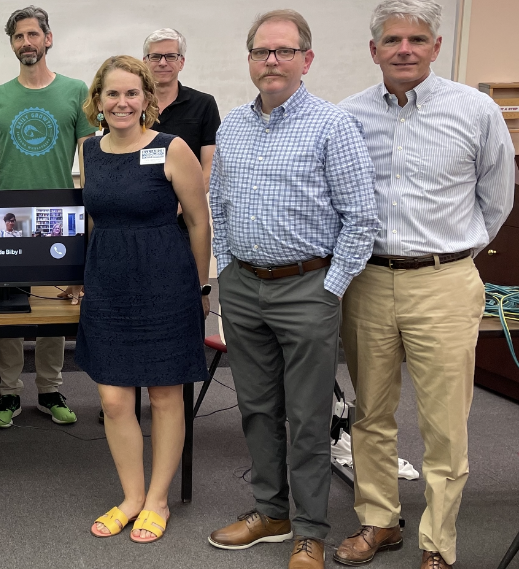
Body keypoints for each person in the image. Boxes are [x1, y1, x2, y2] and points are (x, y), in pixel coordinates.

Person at [334, 2, 515, 568]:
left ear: (436, 48)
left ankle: (439, 543)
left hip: (445, 280)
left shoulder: (476, 110)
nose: (404, 49)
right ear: (374, 50)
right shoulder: (348, 116)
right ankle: (378, 520)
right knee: (370, 414)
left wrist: (453, 253)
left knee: (445, 424)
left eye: (417, 39)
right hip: (368, 281)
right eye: (392, 40)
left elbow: (498, 197)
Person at [207, 10, 379, 569]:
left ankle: (310, 530)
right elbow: (220, 203)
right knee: (256, 408)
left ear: (307, 58)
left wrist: (330, 287)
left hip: (308, 287)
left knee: (308, 416)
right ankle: (271, 512)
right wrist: (228, 269)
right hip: (244, 285)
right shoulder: (232, 124)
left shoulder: (333, 125)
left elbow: (362, 218)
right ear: (250, 60)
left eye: (283, 51)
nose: (271, 61)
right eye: (262, 52)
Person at [68, 55, 211, 544]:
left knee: (166, 396)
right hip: (108, 282)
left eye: (132, 93)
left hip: (165, 280)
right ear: (99, 101)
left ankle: (157, 500)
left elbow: (197, 221)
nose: (122, 102)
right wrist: (82, 276)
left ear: (148, 98)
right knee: (112, 400)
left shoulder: (172, 149)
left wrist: (199, 288)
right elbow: (91, 218)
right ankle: (131, 496)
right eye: (113, 94)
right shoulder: (89, 149)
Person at [0, 5, 97, 427]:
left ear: (48, 38)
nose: (26, 43)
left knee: (56, 304)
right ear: (12, 44)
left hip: (58, 213)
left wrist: (88, 211)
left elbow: (89, 158)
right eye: (18, 37)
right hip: (7, 216)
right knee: (9, 305)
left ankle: (50, 388)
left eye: (33, 34)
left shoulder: (77, 91)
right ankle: (9, 393)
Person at [139, 28, 221, 192]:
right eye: (155, 56)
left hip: (185, 211)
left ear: (181, 62)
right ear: (144, 62)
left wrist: (182, 206)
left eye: (170, 56)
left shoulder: (204, 104)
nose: (163, 63)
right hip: (135, 211)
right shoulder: (130, 105)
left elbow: (210, 170)